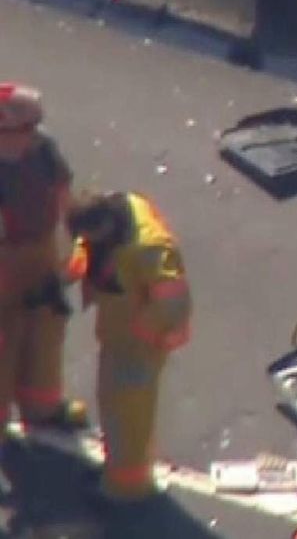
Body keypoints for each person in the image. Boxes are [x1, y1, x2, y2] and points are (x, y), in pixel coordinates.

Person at [66, 190, 193, 505]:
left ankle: (127, 485)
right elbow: (90, 255)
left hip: (137, 345)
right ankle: (119, 470)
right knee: (114, 406)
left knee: (129, 413)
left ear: (105, 223)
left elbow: (174, 304)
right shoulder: (119, 220)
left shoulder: (148, 248)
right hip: (121, 336)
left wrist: (139, 335)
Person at [0, 83, 91, 457]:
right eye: (26, 129)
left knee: (46, 327)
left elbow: (63, 191)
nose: (34, 135)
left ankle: (42, 406)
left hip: (39, 250)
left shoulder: (43, 150)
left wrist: (71, 248)